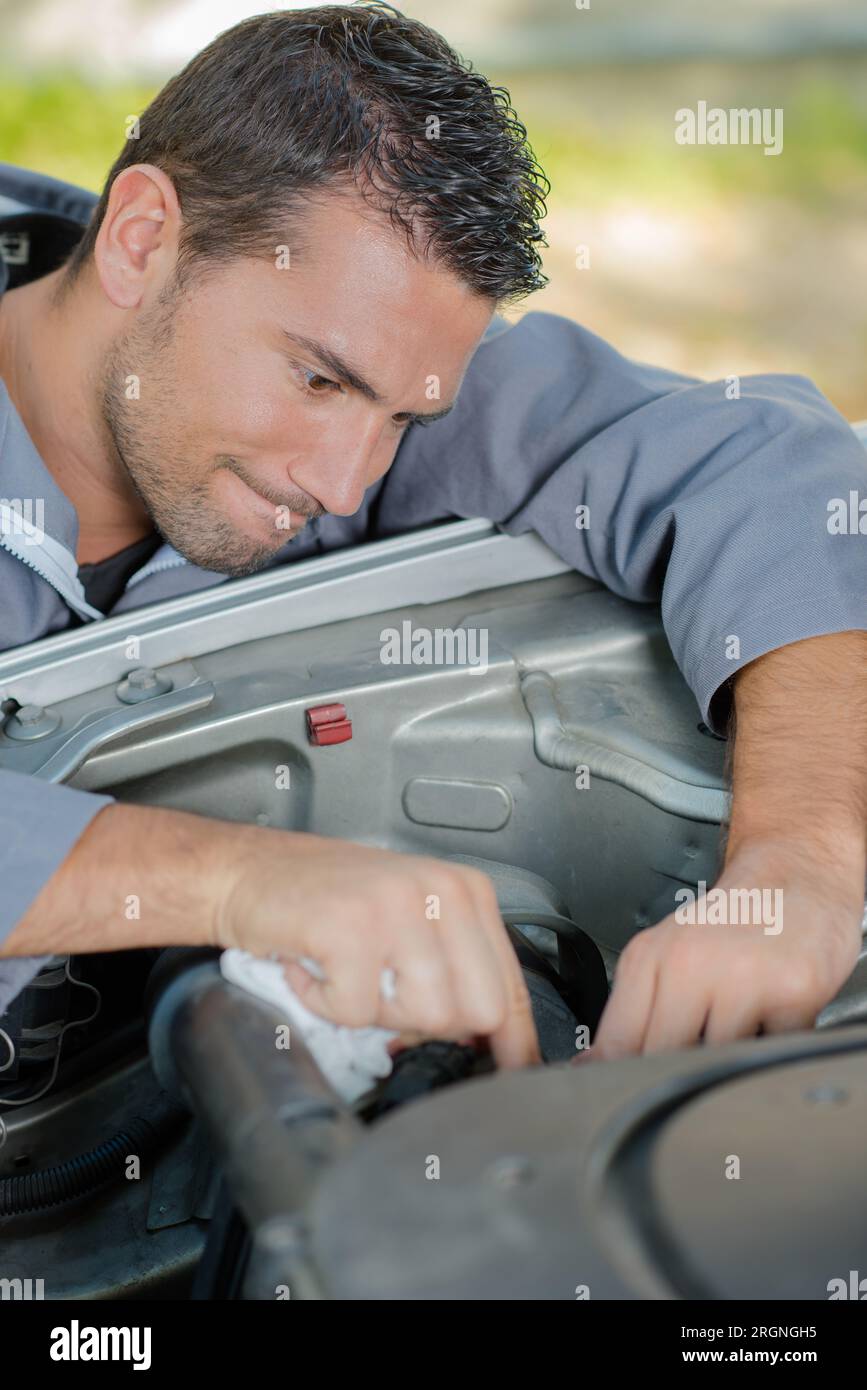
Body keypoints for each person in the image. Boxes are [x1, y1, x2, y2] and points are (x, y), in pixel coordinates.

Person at [0, 4, 864, 1067]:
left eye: (407, 418)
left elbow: (775, 467)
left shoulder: (368, 365)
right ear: (142, 241)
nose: (343, 478)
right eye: (318, 379)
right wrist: (251, 879)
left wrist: (803, 866)